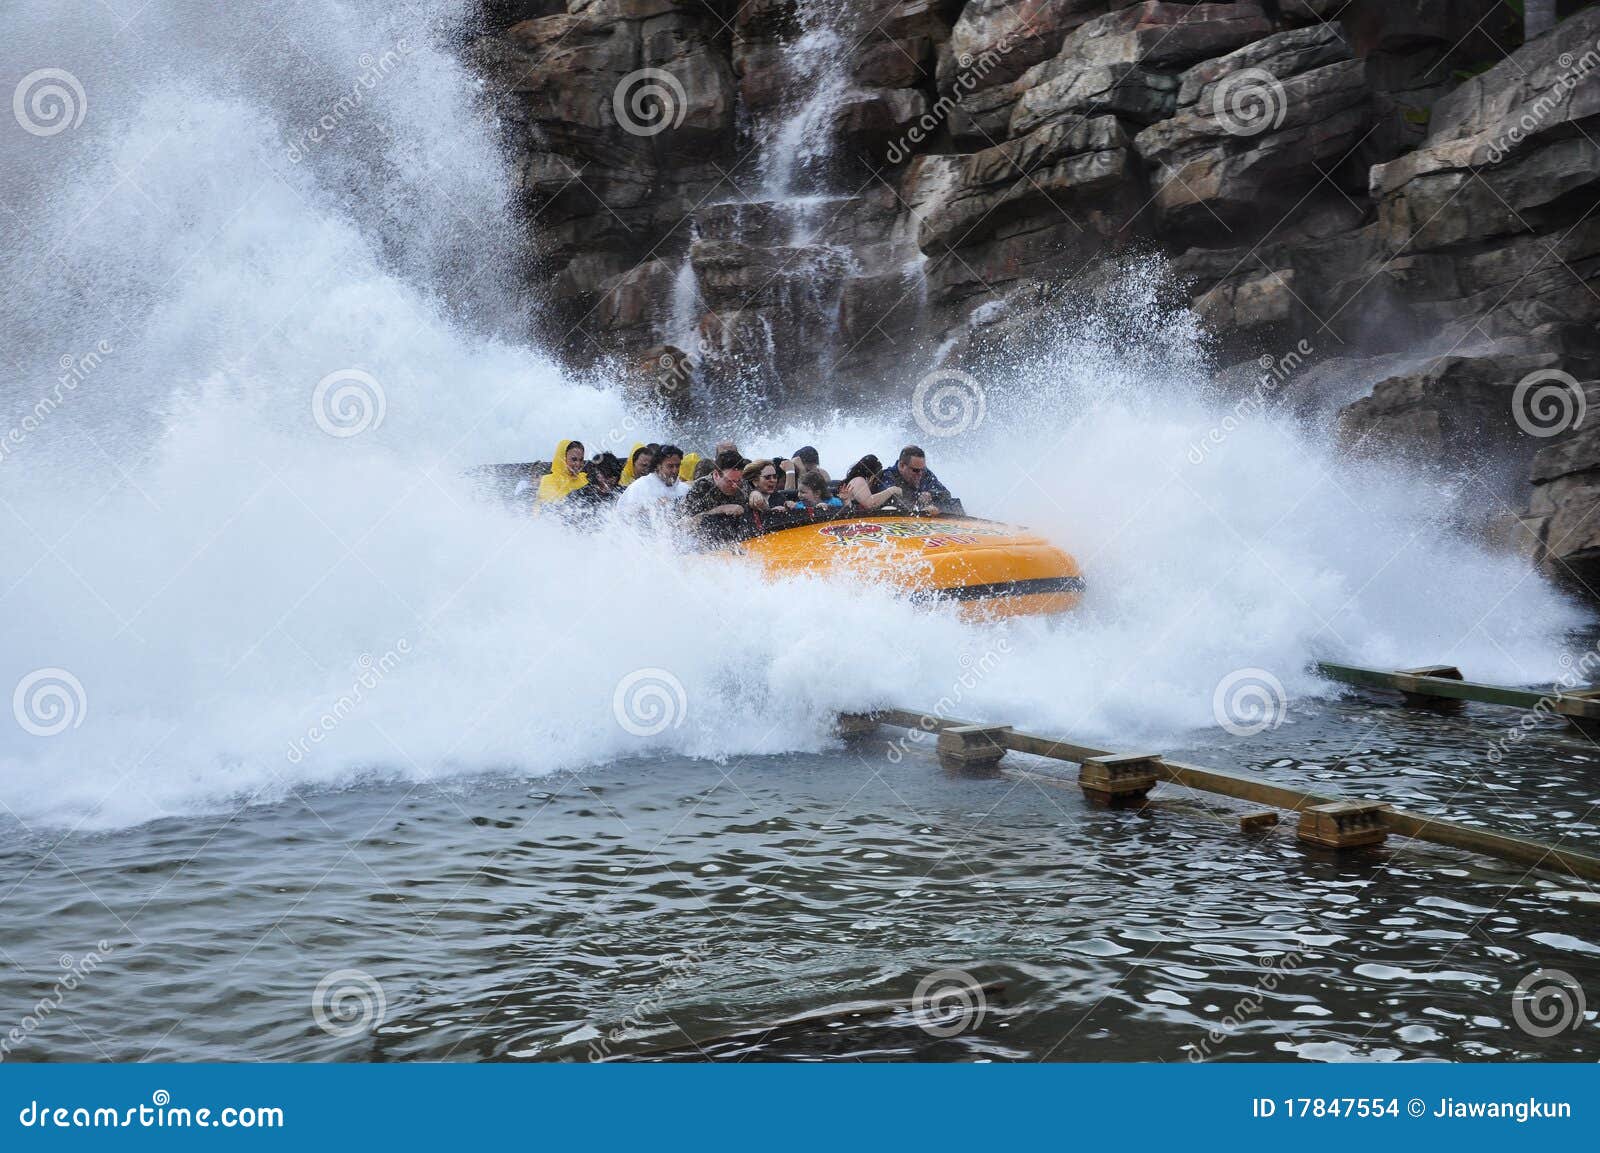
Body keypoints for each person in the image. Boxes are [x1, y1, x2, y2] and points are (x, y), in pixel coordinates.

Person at [683, 449, 752, 537]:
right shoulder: (701, 488)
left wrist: (758, 498)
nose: (735, 485)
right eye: (729, 481)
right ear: (716, 475)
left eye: (738, 481)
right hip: (706, 538)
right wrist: (720, 510)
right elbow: (684, 524)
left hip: (738, 533)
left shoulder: (744, 483)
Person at [878, 445, 957, 514]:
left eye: (922, 469)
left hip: (926, 524)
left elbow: (945, 494)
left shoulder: (925, 473)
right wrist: (918, 499)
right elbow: (893, 500)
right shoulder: (888, 476)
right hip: (901, 524)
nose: (920, 474)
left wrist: (931, 495)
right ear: (902, 466)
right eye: (916, 470)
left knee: (954, 503)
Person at [617, 444, 687, 520]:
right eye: (670, 466)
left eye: (677, 466)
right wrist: (652, 507)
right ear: (658, 466)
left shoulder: (684, 489)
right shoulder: (641, 486)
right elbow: (624, 516)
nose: (675, 471)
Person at [536, 439, 589, 505]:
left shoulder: (585, 478)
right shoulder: (548, 480)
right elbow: (552, 506)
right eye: (574, 459)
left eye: (581, 460)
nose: (578, 464)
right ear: (562, 459)